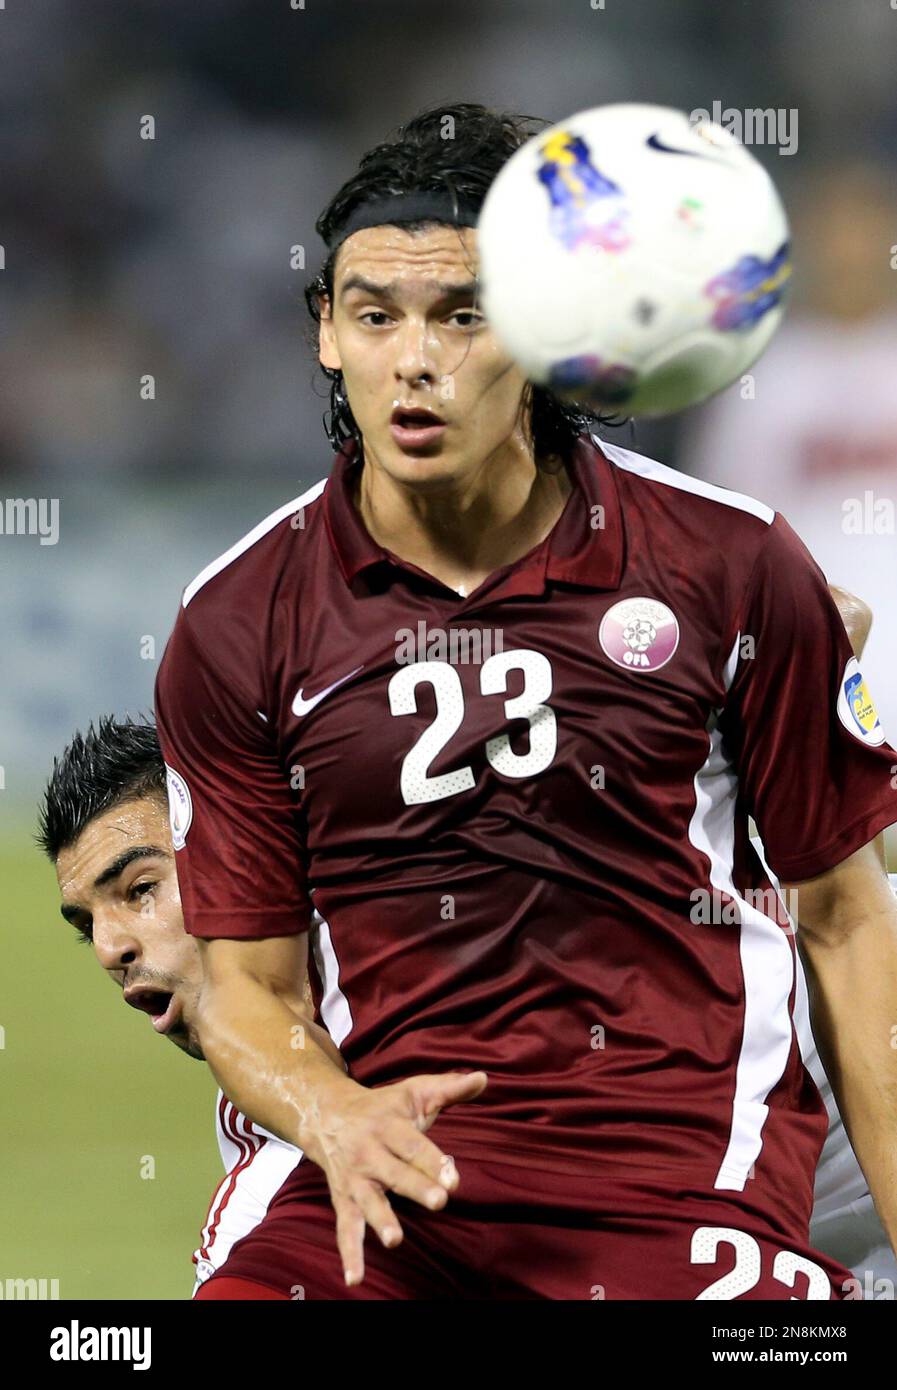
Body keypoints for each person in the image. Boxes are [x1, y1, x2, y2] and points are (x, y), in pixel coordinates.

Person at [153, 102, 897, 1300]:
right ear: (326, 337)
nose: (417, 357)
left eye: (464, 315)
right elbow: (246, 988)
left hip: (674, 1181)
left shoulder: (731, 564)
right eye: (373, 314)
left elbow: (850, 922)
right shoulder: (235, 621)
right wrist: (333, 1116)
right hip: (391, 1176)